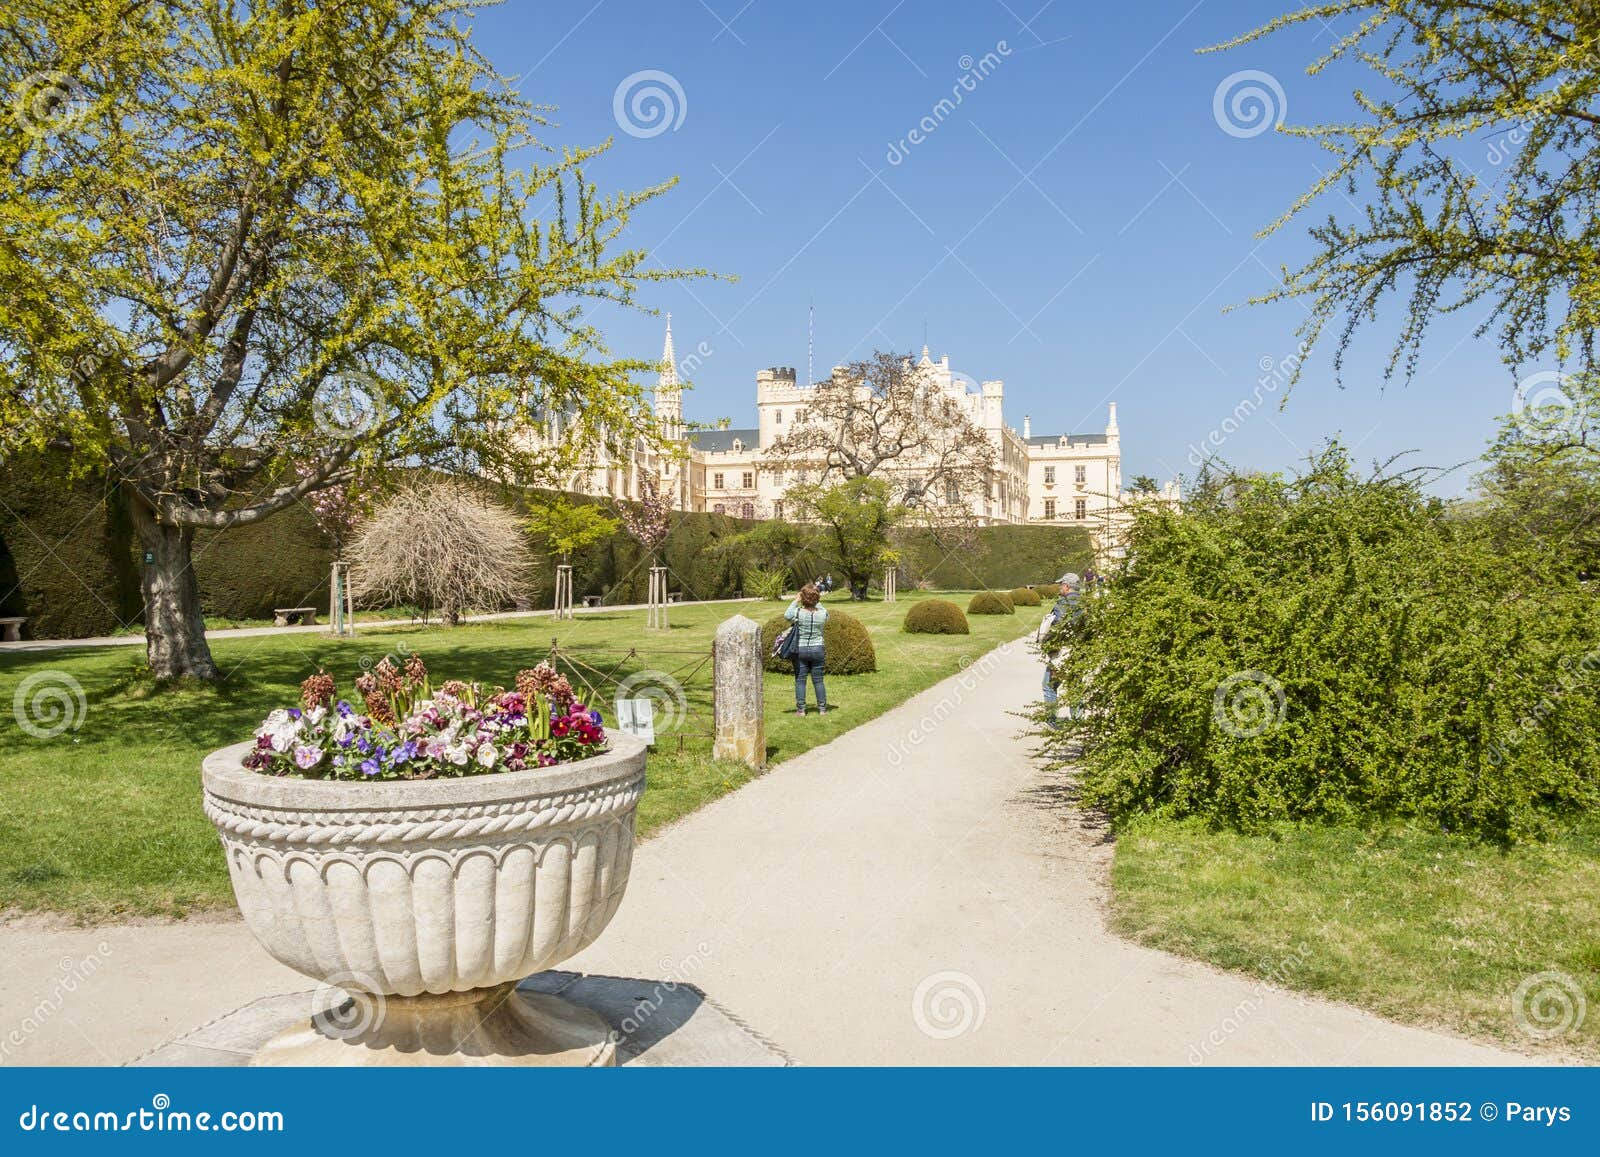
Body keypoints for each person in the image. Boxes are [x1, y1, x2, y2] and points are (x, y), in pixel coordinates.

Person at [1040, 572, 1083, 723]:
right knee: (1075, 685)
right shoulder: (1085, 603)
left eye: (1061, 585)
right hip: (1079, 651)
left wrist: (1047, 644)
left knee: (1049, 686)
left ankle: (1051, 719)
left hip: (1062, 652)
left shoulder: (1062, 604)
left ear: (1066, 586)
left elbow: (1057, 628)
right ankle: (1078, 719)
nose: (1059, 587)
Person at [785, 583, 829, 715]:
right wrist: (816, 601)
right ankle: (822, 709)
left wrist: (796, 600)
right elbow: (826, 614)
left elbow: (787, 615)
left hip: (801, 649)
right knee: (819, 680)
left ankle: (801, 710)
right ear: (817, 599)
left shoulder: (798, 612)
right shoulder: (823, 614)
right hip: (818, 648)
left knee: (800, 680)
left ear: (803, 598)